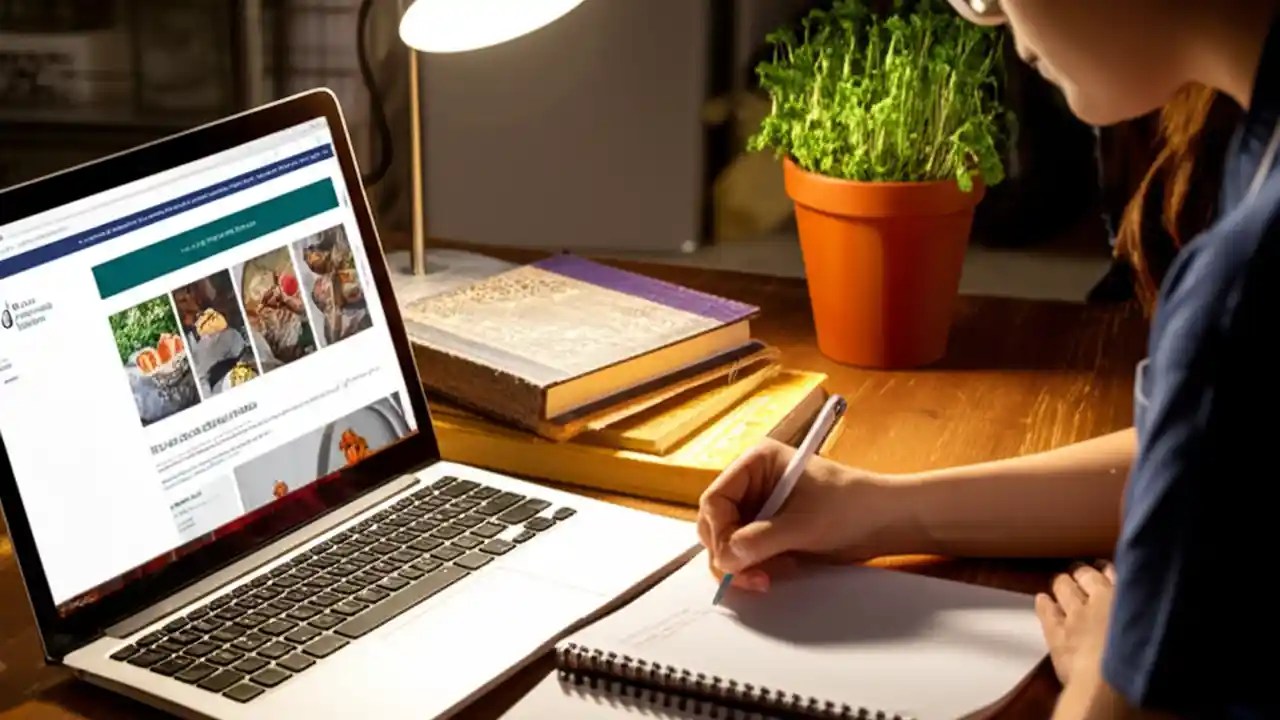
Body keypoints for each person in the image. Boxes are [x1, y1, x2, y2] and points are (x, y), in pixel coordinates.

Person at [697, 1, 1280, 718]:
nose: (982, 16)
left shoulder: (1245, 273)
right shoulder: (1258, 150)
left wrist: (1109, 671)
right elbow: (1217, 453)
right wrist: (882, 507)